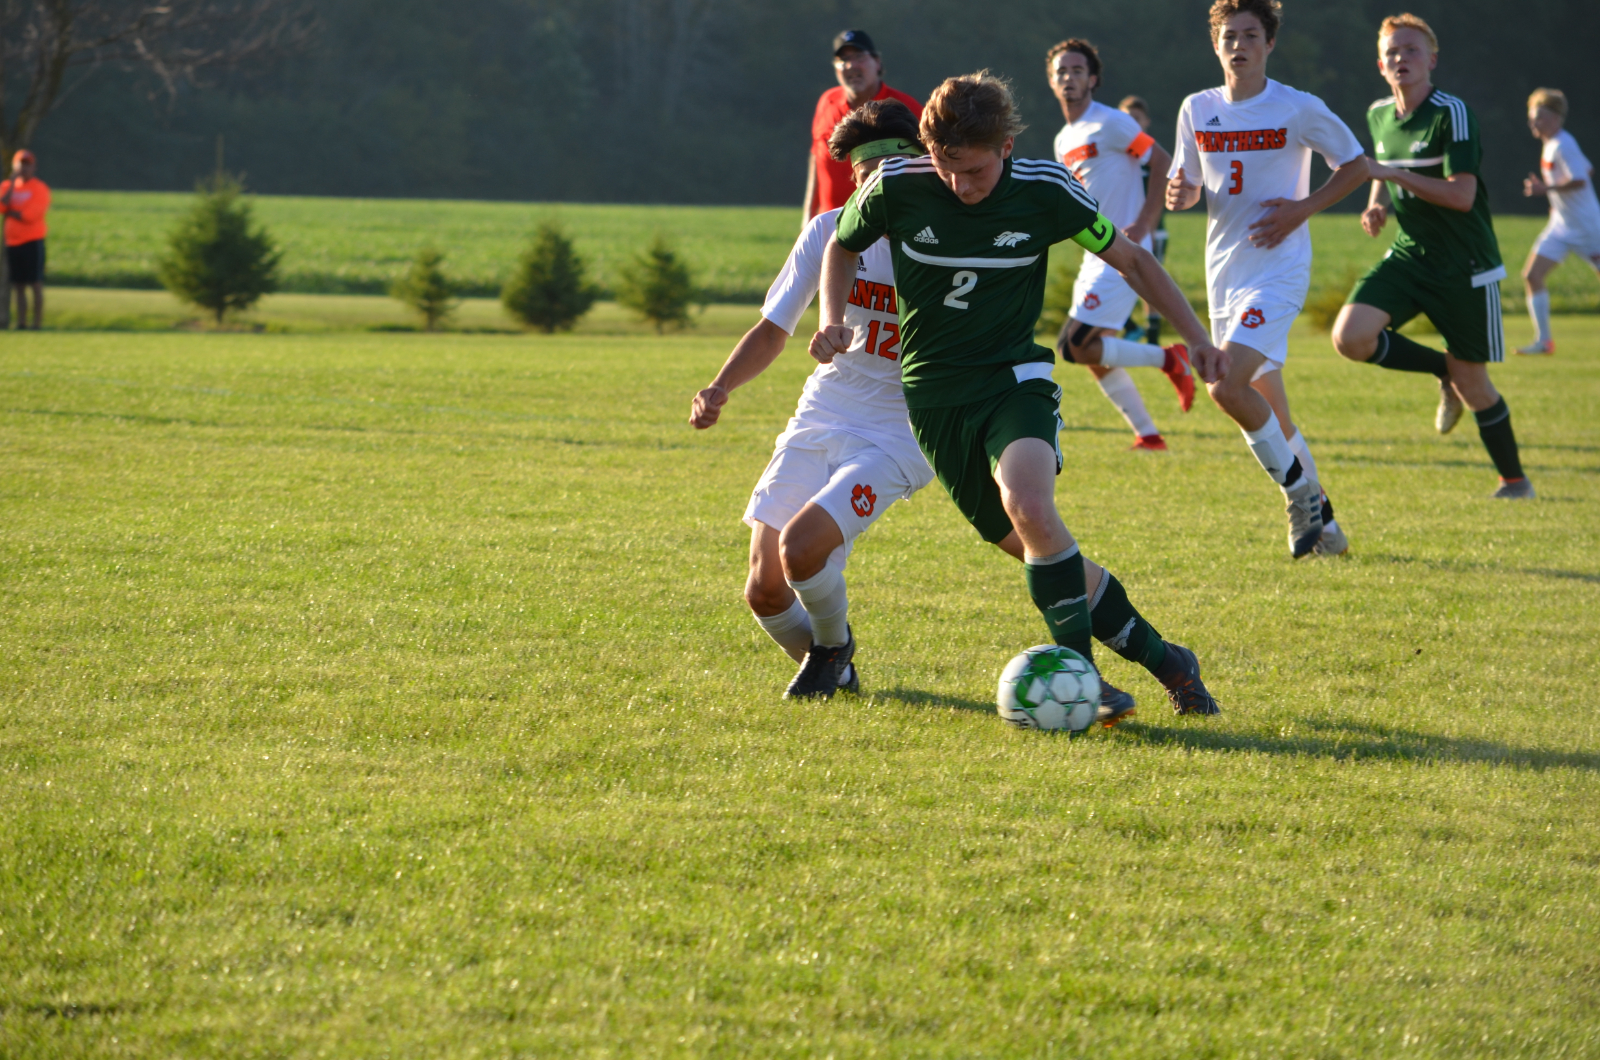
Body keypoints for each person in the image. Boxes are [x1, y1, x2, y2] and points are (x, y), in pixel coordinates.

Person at [813, 71, 1228, 717]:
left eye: (975, 170)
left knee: (1030, 504)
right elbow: (840, 247)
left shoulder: (1047, 191)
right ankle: (1168, 660)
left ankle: (1083, 684)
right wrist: (830, 319)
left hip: (1013, 378)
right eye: (948, 168)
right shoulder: (898, 186)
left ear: (1006, 147)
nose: (961, 185)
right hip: (933, 396)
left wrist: (1197, 337)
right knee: (1030, 540)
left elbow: (1135, 261)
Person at [692, 101, 934, 700]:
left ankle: (831, 650)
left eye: (892, 166)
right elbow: (775, 328)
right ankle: (838, 669)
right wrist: (720, 386)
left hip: (903, 430)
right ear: (853, 178)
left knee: (801, 548)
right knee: (764, 588)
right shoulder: (828, 231)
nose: (877, 180)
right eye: (865, 171)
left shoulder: (944, 242)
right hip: (825, 412)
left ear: (921, 165)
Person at [1166, 0, 1368, 557]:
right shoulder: (1195, 109)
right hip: (1224, 277)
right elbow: (1185, 185)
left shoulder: (1298, 108)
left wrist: (1302, 209)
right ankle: (1326, 528)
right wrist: (1178, 193)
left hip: (1277, 273)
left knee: (1225, 385)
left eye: (1251, 35)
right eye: (1229, 36)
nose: (1239, 45)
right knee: (1271, 414)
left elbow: (1357, 165)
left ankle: (1299, 493)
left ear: (1269, 43)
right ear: (1215, 44)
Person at [1329, 14, 1532, 499]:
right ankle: (1442, 369)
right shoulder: (1379, 113)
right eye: (1393, 52)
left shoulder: (1451, 114)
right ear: (1380, 65)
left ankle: (1515, 482)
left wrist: (1390, 176)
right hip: (1410, 256)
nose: (1402, 58)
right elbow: (1382, 164)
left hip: (1466, 266)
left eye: (1412, 50)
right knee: (1350, 337)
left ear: (1432, 60)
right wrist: (1377, 201)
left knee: (1476, 386)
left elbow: (1462, 195)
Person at [1046, 39, 1192, 454]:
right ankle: (1149, 435)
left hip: (1123, 253)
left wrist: (1144, 224)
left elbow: (1162, 161)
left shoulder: (1113, 123)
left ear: (1092, 79)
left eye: (1077, 71)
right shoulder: (1062, 139)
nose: (1068, 78)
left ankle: (1171, 360)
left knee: (1073, 346)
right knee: (1090, 353)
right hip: (1093, 255)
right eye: (1061, 72)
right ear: (1052, 82)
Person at [804, 30, 923, 222]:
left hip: (887, 227)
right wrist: (808, 217)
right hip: (831, 223)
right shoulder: (827, 101)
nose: (851, 65)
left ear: (877, 62)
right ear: (835, 68)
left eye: (859, 57)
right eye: (843, 60)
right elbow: (816, 159)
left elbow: (931, 165)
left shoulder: (905, 107)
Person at [1517, 88, 1600, 355]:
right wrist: (1555, 198)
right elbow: (1587, 168)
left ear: (1555, 119)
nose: (1533, 123)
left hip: (1587, 226)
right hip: (1562, 226)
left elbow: (1581, 179)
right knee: (1532, 275)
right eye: (1532, 117)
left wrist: (1546, 190)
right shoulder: (1553, 144)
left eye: (1539, 118)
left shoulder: (1564, 143)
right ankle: (1544, 342)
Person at [1119, 95, 1171, 348]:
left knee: (1150, 282)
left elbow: (1160, 193)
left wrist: (1149, 225)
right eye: (1126, 118)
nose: (1131, 123)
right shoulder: (1119, 153)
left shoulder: (1151, 155)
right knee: (1116, 278)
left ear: (1146, 122)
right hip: (1121, 230)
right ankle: (1129, 326)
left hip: (1150, 231)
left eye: (1136, 119)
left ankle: (1152, 338)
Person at [2, 149, 50, 330]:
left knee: (35, 283)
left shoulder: (39, 188)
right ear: (14, 166)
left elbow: (30, 215)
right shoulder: (7, 187)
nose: (23, 168)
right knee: (18, 285)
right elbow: (1, 206)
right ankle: (21, 322)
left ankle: (36, 323)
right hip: (12, 242)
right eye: (20, 164)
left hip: (32, 241)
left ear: (34, 166)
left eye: (27, 164)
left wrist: (9, 211)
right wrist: (13, 184)